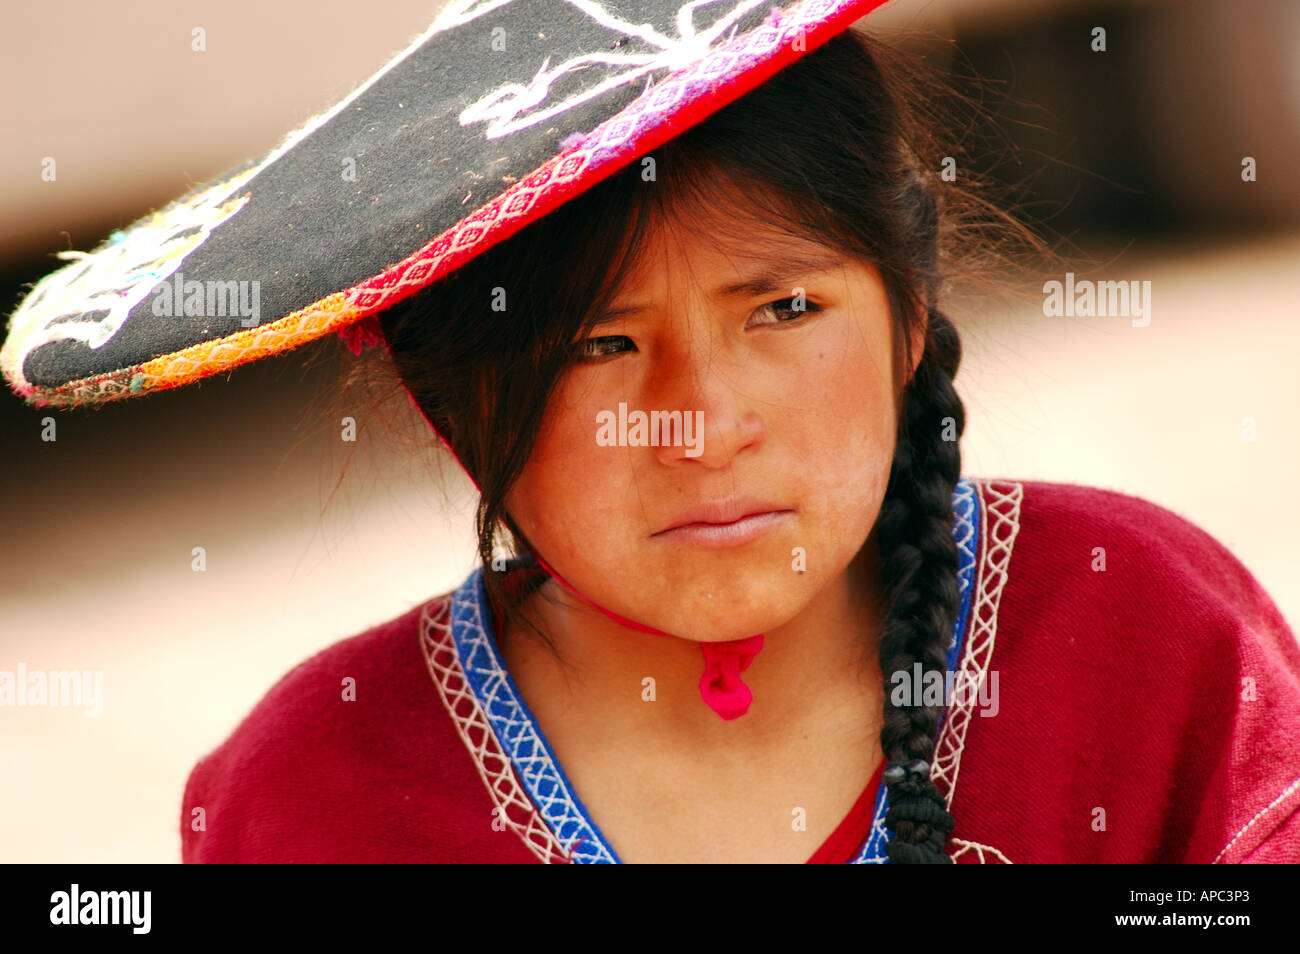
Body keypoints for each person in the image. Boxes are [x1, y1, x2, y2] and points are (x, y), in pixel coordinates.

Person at [7, 2, 1299, 864]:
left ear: (912, 318)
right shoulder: (317, 792)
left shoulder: (1148, 634)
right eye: (599, 345)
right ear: (457, 408)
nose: (706, 422)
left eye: (785, 308)